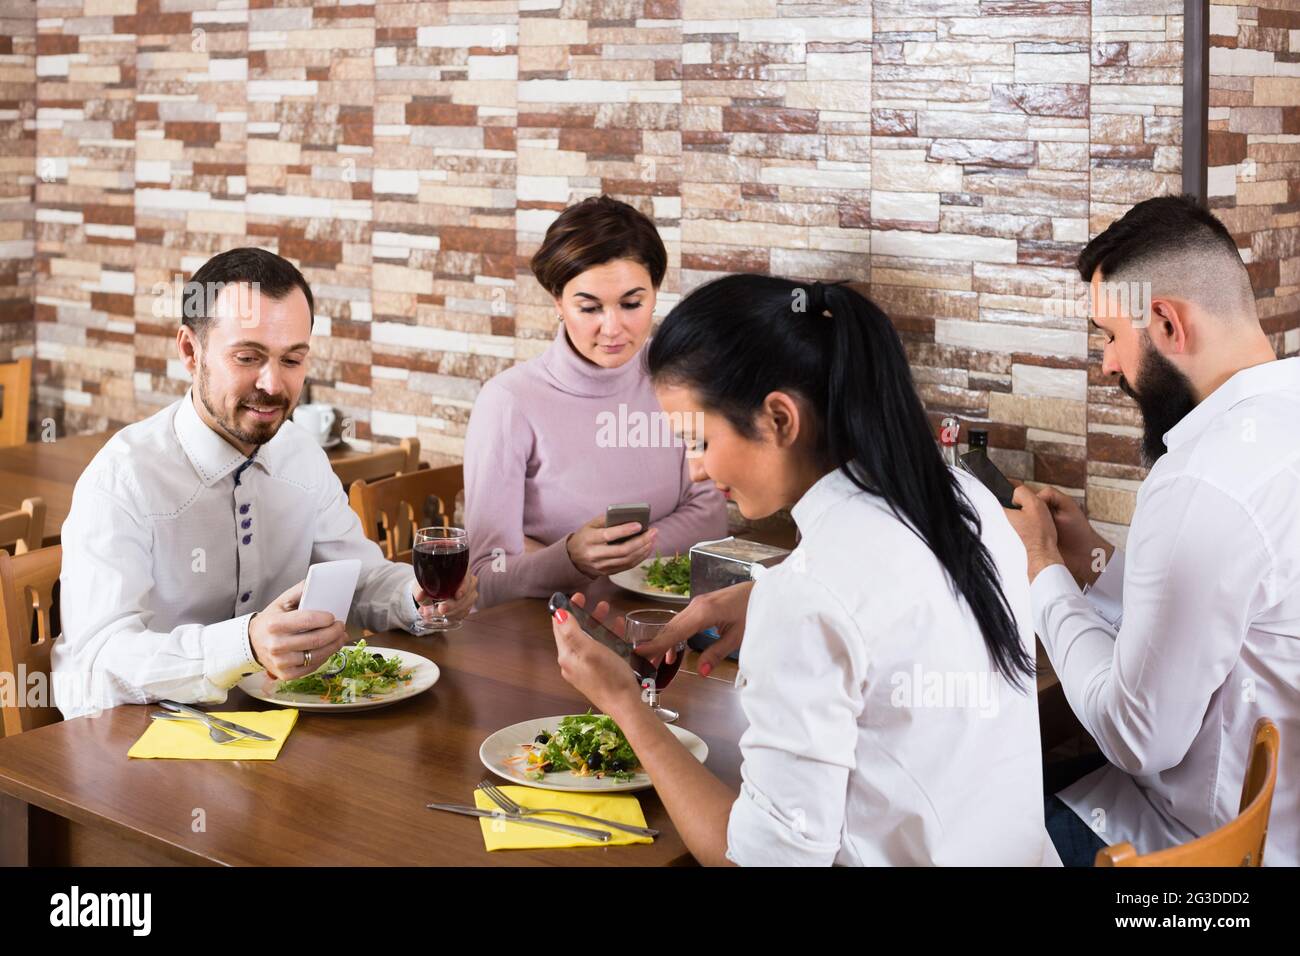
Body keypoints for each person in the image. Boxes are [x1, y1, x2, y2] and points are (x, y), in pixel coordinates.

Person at [550, 274, 1058, 866]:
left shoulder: (808, 597)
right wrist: (769, 591)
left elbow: (759, 862)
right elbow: (882, 592)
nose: (695, 471)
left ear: (779, 420)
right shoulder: (965, 497)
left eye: (700, 441)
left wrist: (626, 707)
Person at [52, 248, 476, 718]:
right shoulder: (123, 478)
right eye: (248, 357)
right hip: (141, 747)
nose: (273, 385)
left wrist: (416, 598)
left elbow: (359, 582)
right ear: (190, 352)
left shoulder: (300, 455)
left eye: (292, 360)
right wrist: (245, 643)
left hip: (275, 734)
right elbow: (96, 666)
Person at [1002, 195, 1299, 866]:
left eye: (1111, 338)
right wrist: (1098, 563)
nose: (1107, 365)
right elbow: (1227, 621)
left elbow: (1137, 736)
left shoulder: (1202, 479)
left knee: (956, 822)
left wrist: (1043, 574)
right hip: (1265, 831)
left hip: (1202, 854)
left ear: (1166, 322)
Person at [462, 196, 728, 609]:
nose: (612, 328)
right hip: (547, 632)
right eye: (589, 307)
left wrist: (591, 560)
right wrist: (570, 556)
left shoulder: (682, 382)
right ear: (557, 301)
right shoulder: (509, 402)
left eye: (631, 303)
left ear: (655, 293)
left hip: (661, 618)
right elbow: (487, 576)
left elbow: (711, 517)